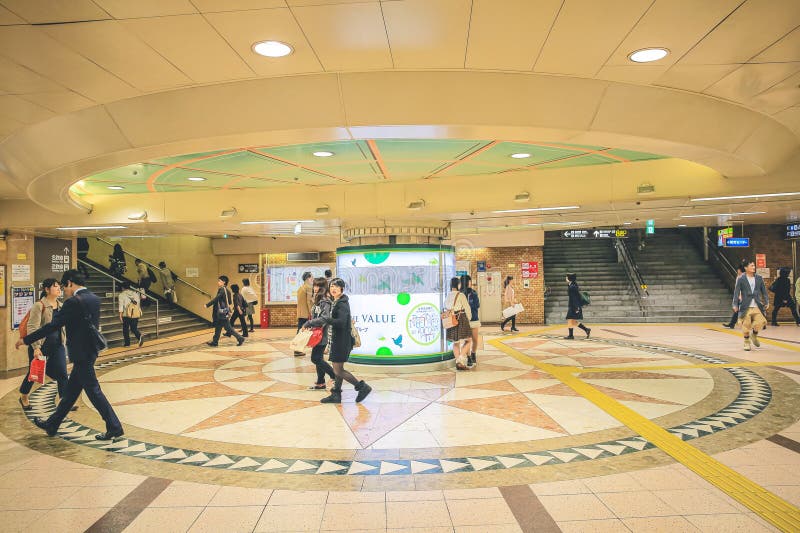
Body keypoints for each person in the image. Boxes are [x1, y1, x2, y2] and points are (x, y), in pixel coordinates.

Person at [15, 269, 124, 441]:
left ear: (70, 283)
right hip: (91, 351)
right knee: (70, 394)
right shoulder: (94, 299)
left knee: (94, 391)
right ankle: (52, 424)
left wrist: (26, 339)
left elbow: (51, 326)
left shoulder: (73, 302)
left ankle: (114, 427)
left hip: (81, 354)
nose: (64, 290)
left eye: (64, 286)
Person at [18, 279, 71, 412]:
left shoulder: (61, 305)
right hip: (41, 346)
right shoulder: (39, 305)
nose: (59, 289)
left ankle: (64, 403)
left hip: (58, 345)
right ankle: (24, 397)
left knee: (63, 374)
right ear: (47, 290)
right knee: (33, 374)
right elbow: (32, 327)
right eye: (55, 287)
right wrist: (36, 347)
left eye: (59, 286)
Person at [317, 278, 371, 404]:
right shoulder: (337, 301)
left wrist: (326, 319)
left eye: (336, 286)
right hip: (338, 340)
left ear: (342, 289)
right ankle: (336, 394)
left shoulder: (342, 303)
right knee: (338, 369)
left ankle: (362, 387)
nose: (333, 289)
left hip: (341, 341)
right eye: (331, 287)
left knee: (338, 370)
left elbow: (340, 323)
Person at [303, 277, 336, 390]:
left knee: (315, 358)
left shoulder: (325, 301)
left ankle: (334, 375)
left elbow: (324, 318)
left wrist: (309, 323)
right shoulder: (318, 300)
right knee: (319, 358)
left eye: (318, 286)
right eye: (315, 285)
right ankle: (320, 382)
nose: (315, 288)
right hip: (316, 334)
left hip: (322, 335)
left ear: (323, 287)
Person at [732, 260, 769, 351]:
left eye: (754, 266)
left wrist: (767, 301)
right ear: (746, 268)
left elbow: (764, 292)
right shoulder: (741, 278)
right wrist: (735, 304)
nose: (754, 267)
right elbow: (736, 293)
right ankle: (746, 342)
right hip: (745, 306)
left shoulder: (759, 278)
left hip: (757, 305)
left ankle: (754, 335)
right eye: (752, 266)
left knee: (760, 322)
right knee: (746, 324)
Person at [206, 275, 245, 347]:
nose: (218, 282)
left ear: (224, 282)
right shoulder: (227, 291)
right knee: (218, 326)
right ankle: (215, 342)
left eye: (219, 281)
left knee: (228, 327)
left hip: (222, 311)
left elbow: (216, 299)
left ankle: (240, 338)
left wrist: (207, 305)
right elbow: (229, 302)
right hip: (225, 310)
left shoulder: (222, 290)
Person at [446, 277, 473, 370]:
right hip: (461, 319)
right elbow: (467, 308)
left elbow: (446, 307)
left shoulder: (448, 295)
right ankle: (460, 359)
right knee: (469, 340)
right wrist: (469, 318)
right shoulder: (461, 295)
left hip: (451, 320)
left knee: (456, 343)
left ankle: (458, 362)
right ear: (458, 285)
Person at [118, 281, 146, 347]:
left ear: (122, 287)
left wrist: (120, 315)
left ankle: (127, 344)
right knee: (134, 328)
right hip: (135, 313)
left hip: (126, 314)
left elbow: (121, 306)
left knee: (125, 329)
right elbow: (138, 304)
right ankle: (139, 336)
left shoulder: (121, 295)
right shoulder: (135, 293)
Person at [461, 274, 480, 368]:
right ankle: (469, 357)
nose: (470, 283)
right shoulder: (460, 294)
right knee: (467, 340)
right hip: (464, 320)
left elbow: (477, 305)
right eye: (469, 281)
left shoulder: (473, 293)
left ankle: (473, 353)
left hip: (474, 319)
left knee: (475, 340)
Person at [565, 273, 591, 339]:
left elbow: (574, 298)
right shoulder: (572, 285)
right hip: (573, 306)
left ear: (569, 279)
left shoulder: (572, 287)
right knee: (571, 321)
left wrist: (576, 308)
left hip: (574, 306)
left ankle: (571, 335)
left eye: (566, 277)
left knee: (570, 320)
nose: (565, 278)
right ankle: (586, 329)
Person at [294, 272, 314, 356]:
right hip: (305, 313)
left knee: (300, 330)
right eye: (312, 276)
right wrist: (311, 312)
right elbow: (308, 301)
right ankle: (297, 350)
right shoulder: (308, 287)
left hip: (300, 312)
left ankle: (297, 349)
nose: (313, 278)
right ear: (308, 278)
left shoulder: (301, 287)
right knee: (301, 331)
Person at [723, 264, 746, 329]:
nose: (737, 271)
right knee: (737, 311)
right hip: (739, 296)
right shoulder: (739, 276)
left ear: (740, 270)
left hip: (743, 297)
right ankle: (732, 324)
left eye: (738, 270)